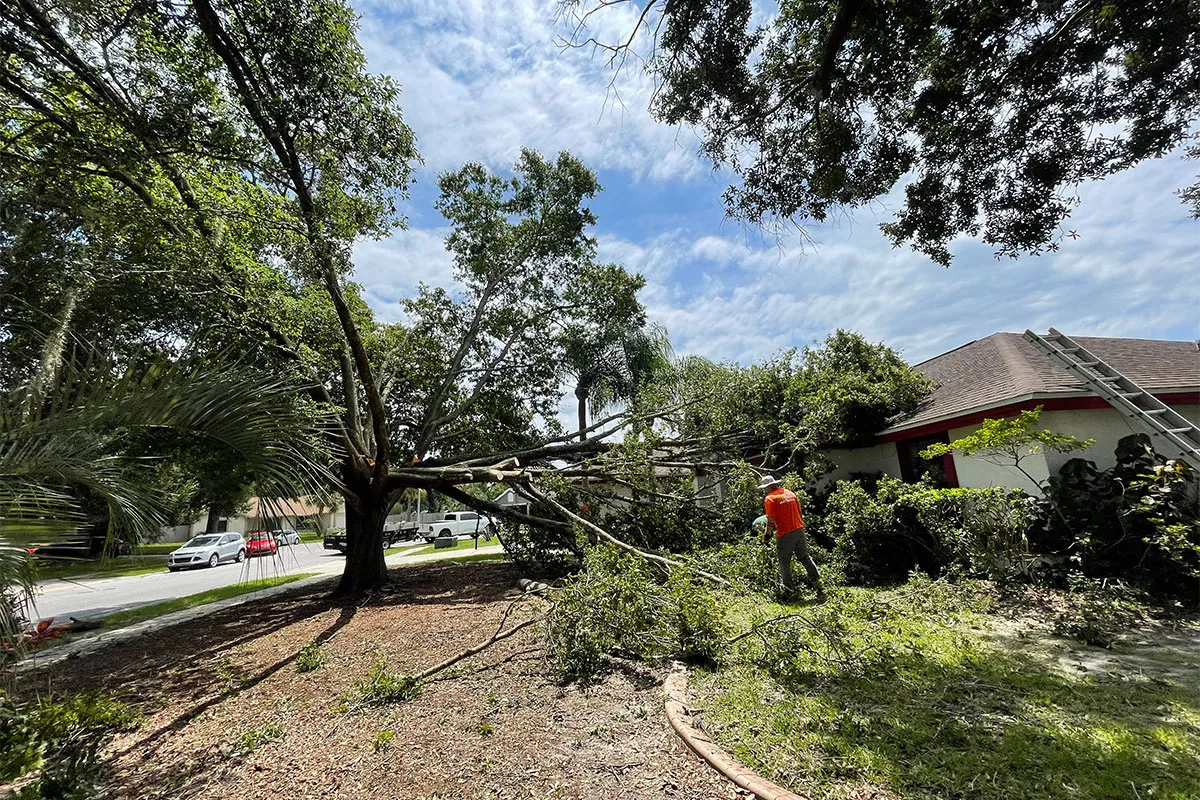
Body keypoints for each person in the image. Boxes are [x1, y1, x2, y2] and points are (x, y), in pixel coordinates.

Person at [759, 475, 824, 600]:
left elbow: (770, 520)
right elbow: (799, 512)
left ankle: (789, 591)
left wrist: (767, 535)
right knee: (805, 558)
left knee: (784, 563)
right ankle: (819, 586)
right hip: (799, 529)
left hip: (785, 533)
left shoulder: (770, 498)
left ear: (768, 487)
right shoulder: (790, 493)